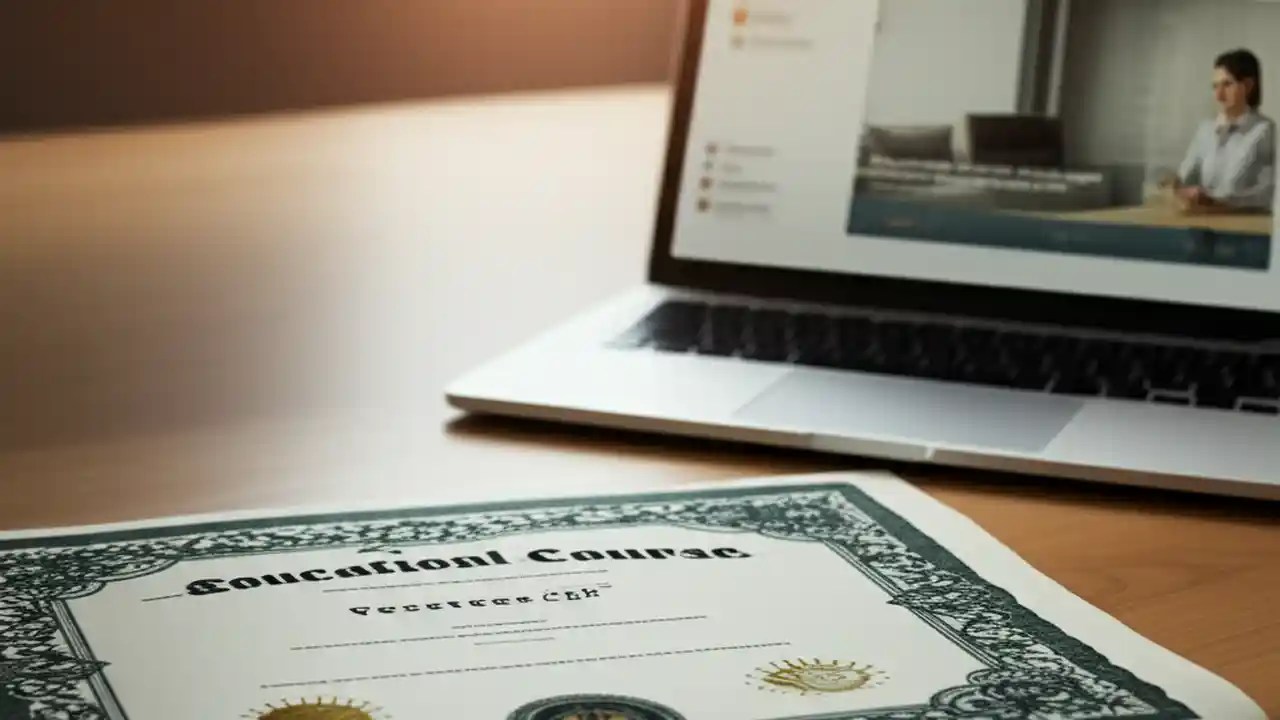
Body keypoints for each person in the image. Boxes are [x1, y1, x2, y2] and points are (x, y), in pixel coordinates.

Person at [1172, 49, 1275, 214]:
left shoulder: (1265, 131)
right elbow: (1183, 177)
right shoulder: (1205, 130)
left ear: (1248, 86)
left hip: (1245, 231)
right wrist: (1176, 189)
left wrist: (1215, 201)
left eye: (1227, 84)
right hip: (1202, 228)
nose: (1218, 95)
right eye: (1215, 86)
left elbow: (1268, 193)